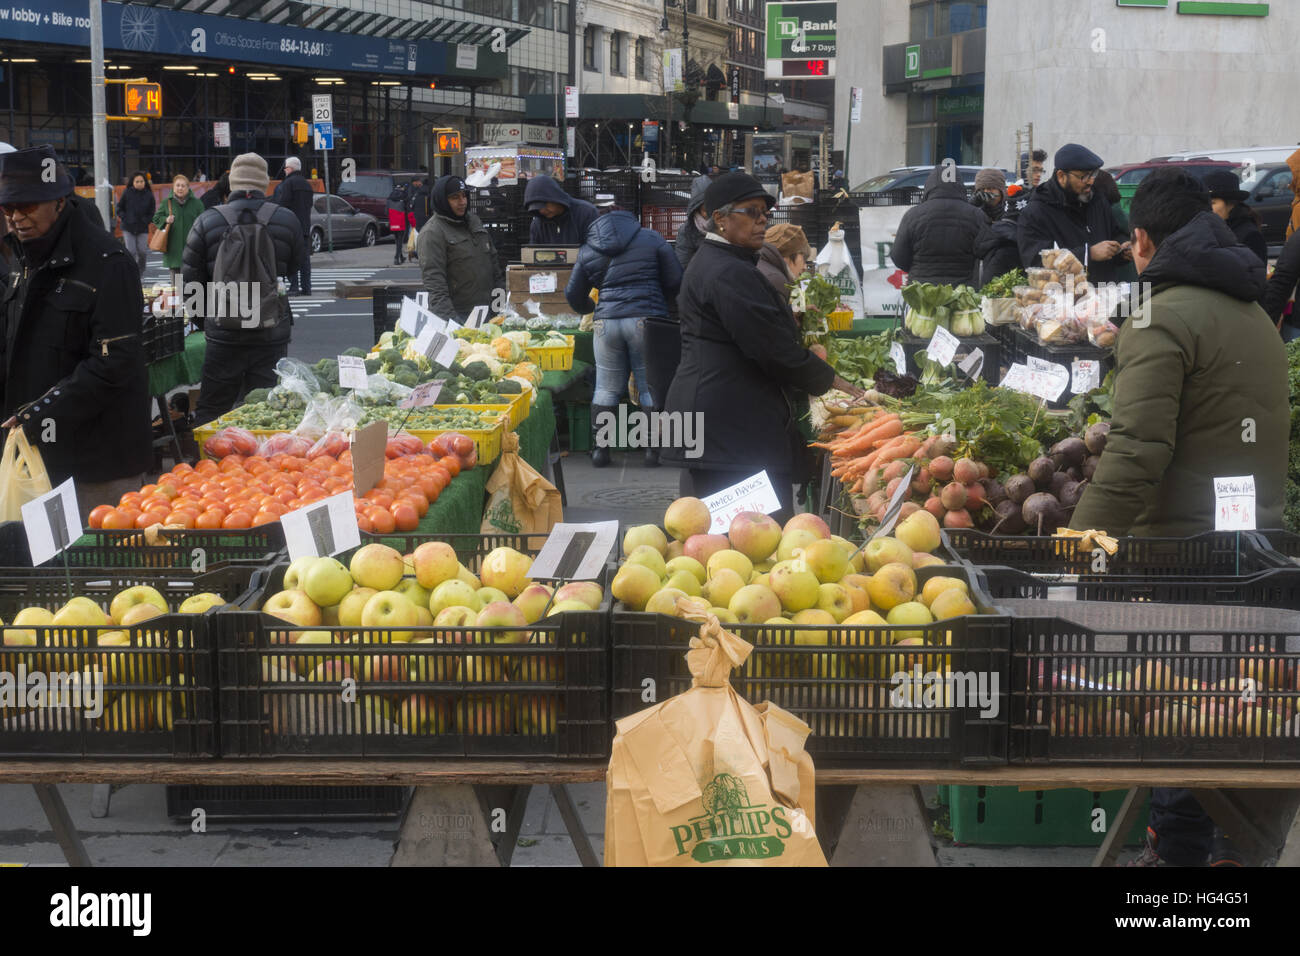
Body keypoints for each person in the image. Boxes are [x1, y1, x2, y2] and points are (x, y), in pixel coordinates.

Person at [1068, 169, 1288, 867]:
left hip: (1183, 549)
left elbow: (1137, 448)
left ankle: (1181, 859)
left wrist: (1081, 544)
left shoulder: (1160, 314)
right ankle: (1231, 847)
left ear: (1140, 242)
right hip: (1254, 542)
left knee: (1178, 703)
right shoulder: (1251, 311)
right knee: (1236, 701)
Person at [660, 172, 864, 524]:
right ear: (720, 219)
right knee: (752, 542)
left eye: (765, 214)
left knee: (725, 542)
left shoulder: (722, 262)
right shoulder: (727, 271)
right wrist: (835, 383)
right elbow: (773, 349)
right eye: (751, 212)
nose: (762, 221)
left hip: (721, 425)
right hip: (728, 431)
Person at [0, 146, 150, 524]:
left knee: (100, 572)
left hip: (96, 464)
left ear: (59, 201)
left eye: (29, 206)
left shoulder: (108, 263)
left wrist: (38, 415)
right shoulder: (24, 257)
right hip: (40, 455)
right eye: (8, 209)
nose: (17, 217)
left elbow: (114, 362)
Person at [183, 152, 305, 426]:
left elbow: (191, 280)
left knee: (213, 407)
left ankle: (208, 464)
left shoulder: (207, 221)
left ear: (233, 183)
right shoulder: (286, 219)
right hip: (270, 331)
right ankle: (263, 465)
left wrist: (205, 322)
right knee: (267, 411)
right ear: (264, 183)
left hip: (223, 334)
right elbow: (295, 264)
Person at [565, 208, 683, 468]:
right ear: (631, 221)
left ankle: (600, 451)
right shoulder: (652, 239)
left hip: (606, 323)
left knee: (606, 387)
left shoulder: (587, 249)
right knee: (647, 386)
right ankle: (653, 451)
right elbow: (675, 278)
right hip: (646, 321)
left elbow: (573, 295)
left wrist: (590, 307)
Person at [1017, 143, 1131, 282]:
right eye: (1084, 176)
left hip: (1105, 294)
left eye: (1093, 174)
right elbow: (1036, 262)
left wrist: (1122, 248)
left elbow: (1115, 232)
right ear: (1061, 176)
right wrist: (1088, 255)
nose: (1090, 181)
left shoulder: (1098, 200)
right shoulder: (1036, 212)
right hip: (1063, 299)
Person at [418, 174, 502, 324]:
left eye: (464, 196)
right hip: (460, 317)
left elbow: (494, 265)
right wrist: (453, 325)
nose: (462, 202)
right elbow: (435, 286)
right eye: (455, 197)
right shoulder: (432, 233)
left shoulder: (473, 221)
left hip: (488, 313)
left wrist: (500, 306)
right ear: (443, 200)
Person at [890, 165, 987, 287]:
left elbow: (898, 256)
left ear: (930, 185)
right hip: (962, 293)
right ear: (960, 185)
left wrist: (918, 269)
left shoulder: (913, 215)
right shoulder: (976, 215)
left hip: (922, 291)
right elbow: (985, 252)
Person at [150, 174, 204, 293]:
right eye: (177, 185)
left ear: (188, 188)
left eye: (183, 186)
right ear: (173, 187)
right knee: (175, 279)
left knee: (191, 277)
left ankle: (190, 301)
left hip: (191, 245)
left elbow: (203, 220)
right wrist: (166, 220)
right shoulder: (166, 202)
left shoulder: (196, 203)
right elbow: (156, 218)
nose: (180, 188)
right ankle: (178, 303)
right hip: (173, 246)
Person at [1202, 169, 1267, 266]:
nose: (1207, 208)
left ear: (1231, 203)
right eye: (1204, 202)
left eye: (1212, 203)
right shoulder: (1206, 230)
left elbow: (1255, 272)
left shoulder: (1249, 235)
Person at [271, 157, 314, 294]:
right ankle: (307, 288)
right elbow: (309, 205)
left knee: (291, 257)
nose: (284, 171)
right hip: (305, 226)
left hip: (290, 226)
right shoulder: (307, 185)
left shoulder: (288, 184)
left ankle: (294, 287)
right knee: (305, 259)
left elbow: (283, 204)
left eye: (285, 168)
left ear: (290, 168)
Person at [973, 170, 1023, 286]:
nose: (986, 193)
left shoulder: (1011, 212)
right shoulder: (975, 213)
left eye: (990, 188)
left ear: (1000, 191)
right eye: (982, 189)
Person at [524, 175, 599, 245]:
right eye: (537, 209)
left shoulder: (587, 213)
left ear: (555, 197)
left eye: (544, 206)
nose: (542, 211)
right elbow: (534, 252)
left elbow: (597, 248)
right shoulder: (537, 224)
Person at [756, 222, 812, 301]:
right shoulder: (776, 280)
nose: (805, 267)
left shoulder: (759, 266)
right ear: (788, 254)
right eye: (804, 259)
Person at [117, 171, 155, 277]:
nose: (139, 183)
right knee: (131, 251)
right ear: (132, 182)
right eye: (137, 181)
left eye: (141, 181)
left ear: (145, 182)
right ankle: (131, 272)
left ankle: (140, 271)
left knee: (142, 251)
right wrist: (125, 217)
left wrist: (146, 220)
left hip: (142, 227)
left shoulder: (149, 194)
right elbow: (119, 208)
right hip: (128, 227)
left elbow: (152, 211)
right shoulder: (127, 192)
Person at [387, 179, 412, 265]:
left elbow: (386, 210)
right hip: (402, 221)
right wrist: (412, 221)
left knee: (397, 240)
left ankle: (401, 257)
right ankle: (396, 258)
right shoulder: (404, 195)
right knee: (400, 241)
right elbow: (408, 210)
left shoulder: (391, 195)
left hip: (393, 221)